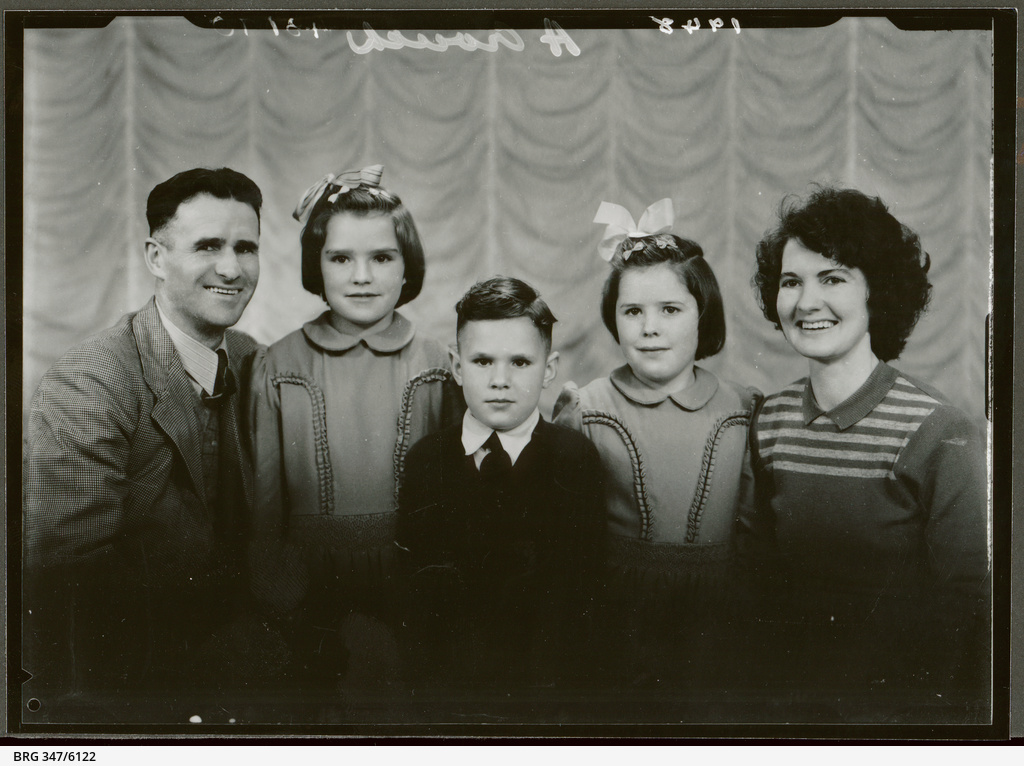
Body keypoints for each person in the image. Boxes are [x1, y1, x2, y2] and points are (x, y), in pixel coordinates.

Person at [740, 185, 990, 714]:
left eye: (833, 278)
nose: (807, 302)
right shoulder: (769, 419)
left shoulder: (941, 430)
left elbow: (966, 612)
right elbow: (755, 585)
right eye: (791, 281)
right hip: (785, 710)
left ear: (879, 291)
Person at [24, 167, 269, 702]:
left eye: (245, 248)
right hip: (133, 677)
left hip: (242, 656)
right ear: (156, 258)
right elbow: (68, 582)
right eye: (208, 246)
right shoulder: (90, 379)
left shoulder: (254, 358)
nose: (232, 268)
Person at [249, 164, 462, 689]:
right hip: (306, 583)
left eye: (381, 258)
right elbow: (264, 502)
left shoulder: (438, 365)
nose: (361, 276)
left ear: (407, 267)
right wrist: (277, 590)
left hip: (411, 579)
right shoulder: (278, 365)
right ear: (316, 266)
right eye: (341, 258)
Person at [552, 198, 760, 689]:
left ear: (702, 315)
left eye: (670, 309)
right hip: (617, 623)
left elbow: (754, 535)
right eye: (632, 311)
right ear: (614, 319)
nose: (649, 328)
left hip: (717, 626)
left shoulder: (742, 408)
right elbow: (562, 547)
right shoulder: (586, 408)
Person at [396, 276, 606, 692]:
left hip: (545, 693)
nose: (500, 380)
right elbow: (415, 602)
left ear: (549, 370)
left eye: (520, 363)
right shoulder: (427, 461)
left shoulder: (575, 460)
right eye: (482, 361)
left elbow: (583, 598)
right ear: (457, 367)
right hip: (448, 694)